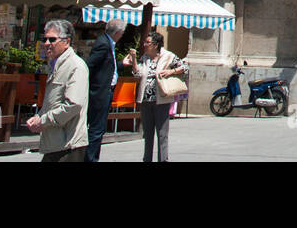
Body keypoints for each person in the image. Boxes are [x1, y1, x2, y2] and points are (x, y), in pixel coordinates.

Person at [26, 20, 89, 162]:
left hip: (68, 145)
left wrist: (43, 120)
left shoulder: (76, 66)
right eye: (45, 39)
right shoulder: (56, 64)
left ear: (66, 42)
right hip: (55, 144)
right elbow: (53, 101)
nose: (47, 43)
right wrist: (38, 117)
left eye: (52, 39)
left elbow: (73, 105)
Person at [122, 31, 188, 162]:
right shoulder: (145, 57)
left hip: (161, 100)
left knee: (162, 134)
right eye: (145, 42)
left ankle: (163, 159)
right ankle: (147, 159)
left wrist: (170, 71)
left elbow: (185, 67)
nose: (145, 45)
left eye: (148, 42)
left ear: (156, 45)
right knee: (148, 133)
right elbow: (137, 73)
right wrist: (134, 59)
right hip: (146, 100)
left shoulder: (168, 56)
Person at [85, 18, 125, 162]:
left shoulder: (107, 42)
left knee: (99, 128)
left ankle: (93, 157)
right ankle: (90, 158)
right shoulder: (103, 44)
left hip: (104, 91)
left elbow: (107, 66)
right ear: (118, 32)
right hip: (100, 92)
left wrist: (121, 64)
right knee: (96, 128)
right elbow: (90, 65)